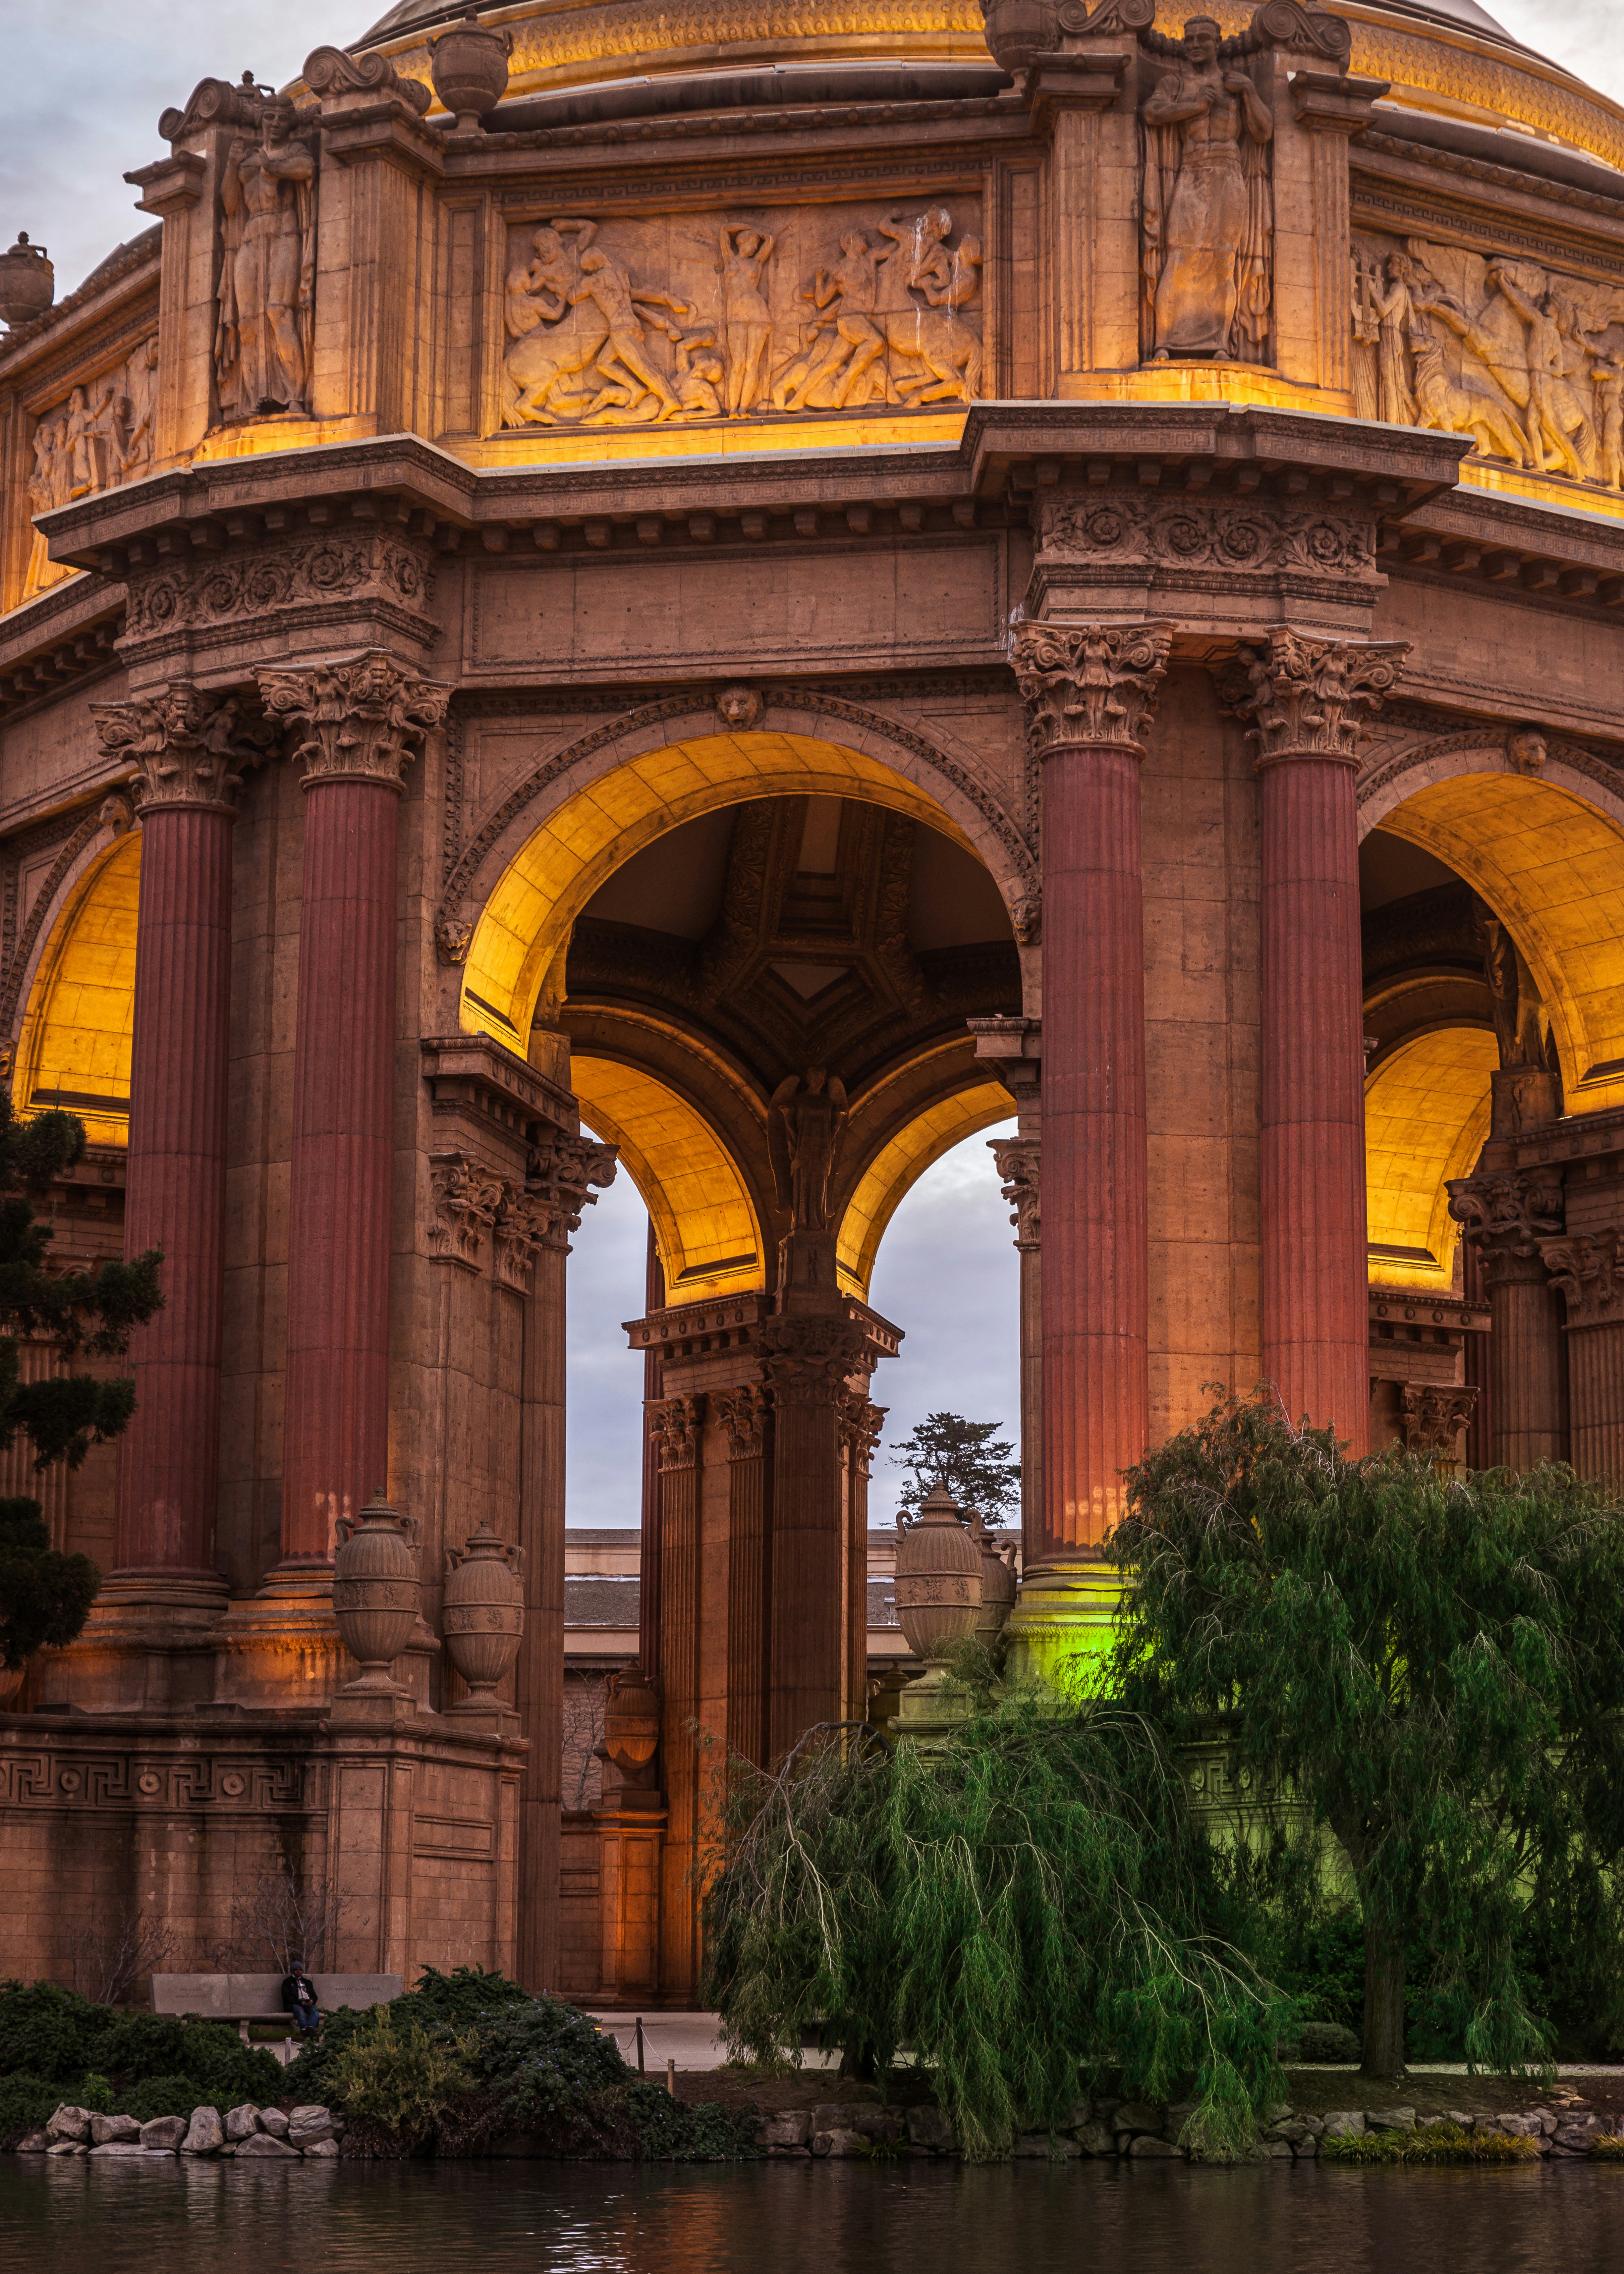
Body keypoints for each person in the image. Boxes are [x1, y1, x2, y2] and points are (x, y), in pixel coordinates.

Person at [281, 1961, 322, 2037]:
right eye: (296, 1970)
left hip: (308, 2003)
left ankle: (309, 2028)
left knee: (315, 2011)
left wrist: (312, 2001)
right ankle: (305, 2029)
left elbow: (314, 1996)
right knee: (300, 2011)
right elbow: (287, 1997)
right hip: (295, 2004)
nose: (298, 1971)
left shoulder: (308, 1982)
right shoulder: (287, 1982)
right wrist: (300, 2003)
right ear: (293, 1971)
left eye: (300, 1970)